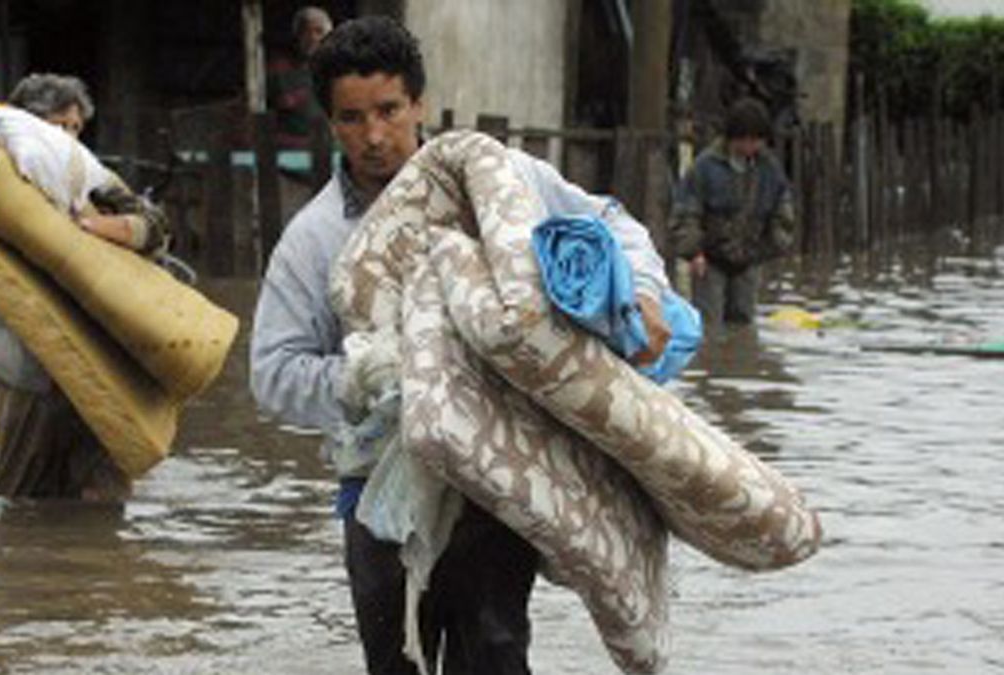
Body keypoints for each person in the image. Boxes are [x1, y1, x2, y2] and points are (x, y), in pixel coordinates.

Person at [249, 16, 670, 674]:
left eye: (389, 110)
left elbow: (613, 223)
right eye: (353, 118)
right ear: (332, 124)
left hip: (496, 479)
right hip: (377, 497)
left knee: (497, 649)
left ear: (419, 102)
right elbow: (272, 371)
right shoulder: (315, 238)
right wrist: (386, 378)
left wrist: (640, 294)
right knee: (396, 663)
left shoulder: (499, 182)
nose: (376, 135)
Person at [0, 73, 169, 502]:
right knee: (22, 488)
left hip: (99, 354)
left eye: (75, 128)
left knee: (104, 488)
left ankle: (91, 562)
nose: (69, 137)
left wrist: (93, 226)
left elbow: (154, 229)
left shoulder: (90, 178)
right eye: (59, 126)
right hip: (27, 360)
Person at [670, 97, 795, 325]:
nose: (753, 146)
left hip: (749, 259)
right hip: (709, 260)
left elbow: (782, 210)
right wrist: (693, 252)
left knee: (743, 324)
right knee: (707, 324)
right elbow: (687, 212)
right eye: (748, 140)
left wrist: (772, 247)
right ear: (735, 137)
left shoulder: (770, 169)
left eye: (758, 140)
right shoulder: (705, 167)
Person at [266, 6, 333, 148]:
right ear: (297, 37)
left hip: (332, 150)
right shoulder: (279, 69)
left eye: (319, 31)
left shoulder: (342, 70)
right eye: (305, 32)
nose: (312, 37)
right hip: (288, 153)